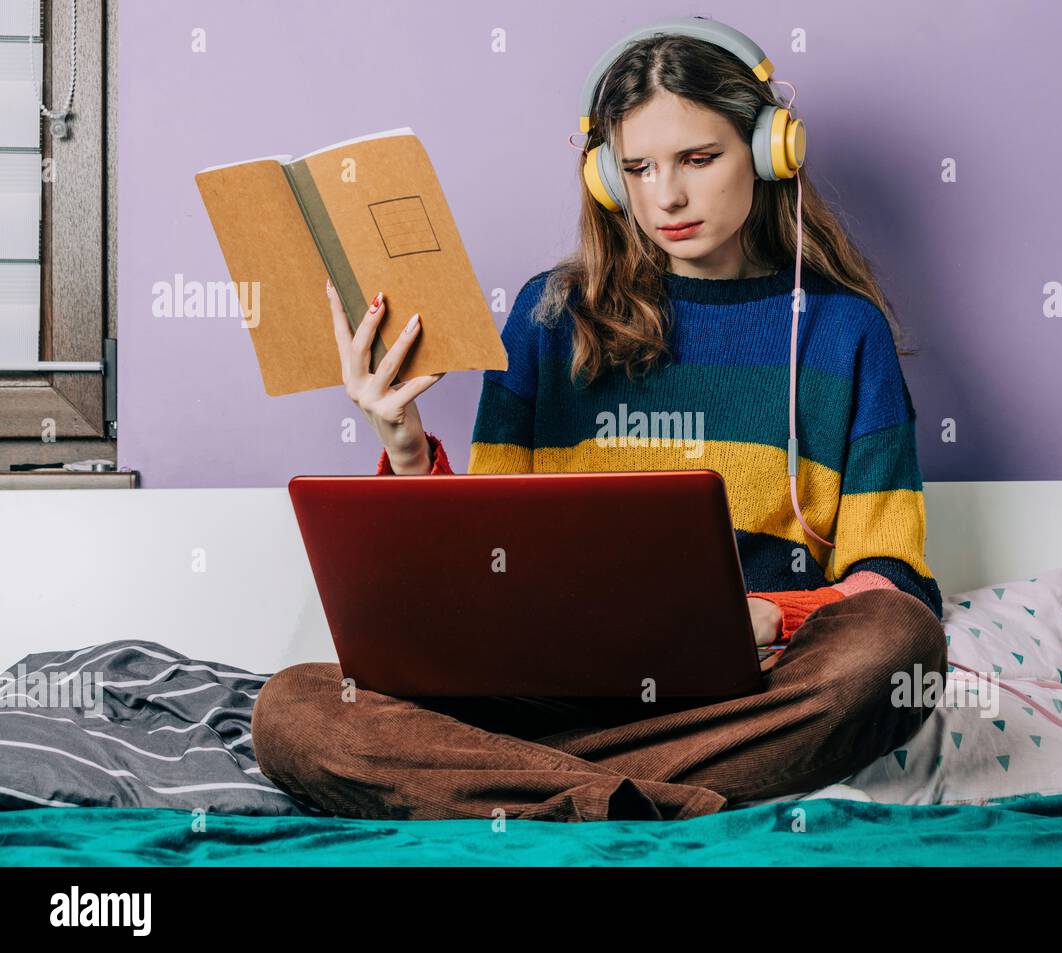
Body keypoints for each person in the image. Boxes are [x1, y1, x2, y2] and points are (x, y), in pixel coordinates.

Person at [251, 24, 947, 823]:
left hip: (739, 695)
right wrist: (405, 446)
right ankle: (633, 798)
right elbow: (480, 566)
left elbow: (892, 579)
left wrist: (766, 614)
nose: (666, 198)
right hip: (546, 696)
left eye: (698, 159)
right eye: (639, 168)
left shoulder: (840, 330)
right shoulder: (548, 319)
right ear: (609, 178)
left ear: (768, 150)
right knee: (292, 708)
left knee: (899, 646)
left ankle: (522, 794)